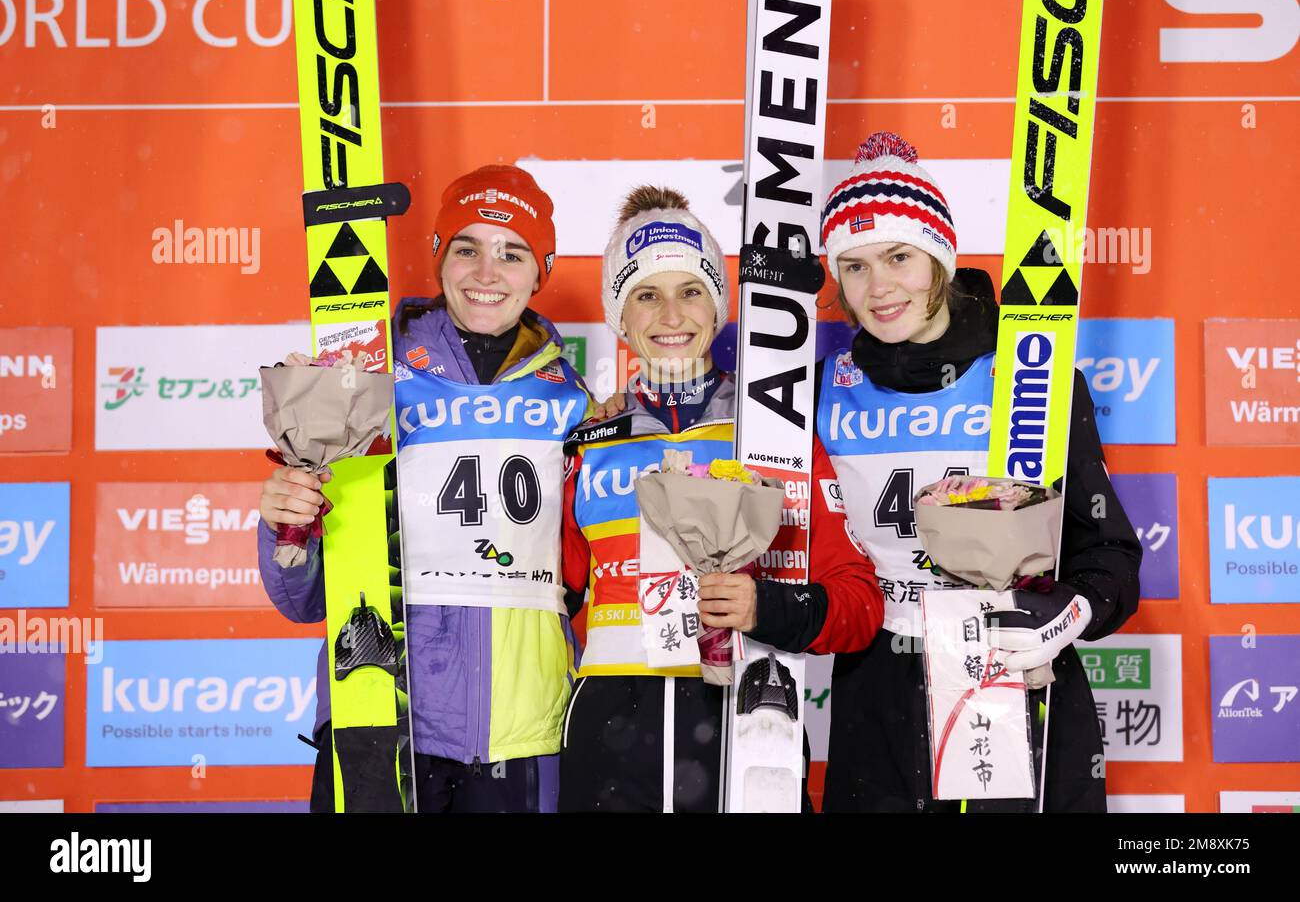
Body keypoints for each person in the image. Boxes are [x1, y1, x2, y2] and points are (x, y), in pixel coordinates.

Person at [813, 131, 1142, 812]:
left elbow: (1109, 554)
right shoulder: (820, 389)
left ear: (938, 257)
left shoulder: (1028, 378)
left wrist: (1057, 618)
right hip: (875, 690)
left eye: (899, 257)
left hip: (1010, 672)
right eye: (855, 266)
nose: (879, 288)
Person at [257, 164, 591, 812]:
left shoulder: (574, 404)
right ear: (438, 256)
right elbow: (302, 596)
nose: (487, 273)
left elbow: (587, 578)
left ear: (540, 268)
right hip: (382, 719)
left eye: (511, 252)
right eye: (466, 247)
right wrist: (287, 524)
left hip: (523, 738)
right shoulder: (368, 378)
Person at [558, 185, 883, 812]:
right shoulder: (587, 442)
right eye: (646, 295)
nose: (671, 316)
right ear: (618, 316)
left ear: (719, 306)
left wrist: (768, 606)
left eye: (691, 291)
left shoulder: (773, 432)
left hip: (749, 724)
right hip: (610, 743)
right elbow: (555, 595)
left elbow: (859, 605)